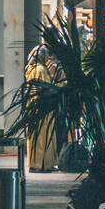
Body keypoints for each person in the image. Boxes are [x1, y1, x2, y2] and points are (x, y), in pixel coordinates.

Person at [25, 43, 61, 172]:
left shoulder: (30, 68)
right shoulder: (40, 70)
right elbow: (47, 88)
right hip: (42, 107)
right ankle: (41, 164)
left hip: (33, 106)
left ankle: (37, 163)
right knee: (44, 137)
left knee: (36, 137)